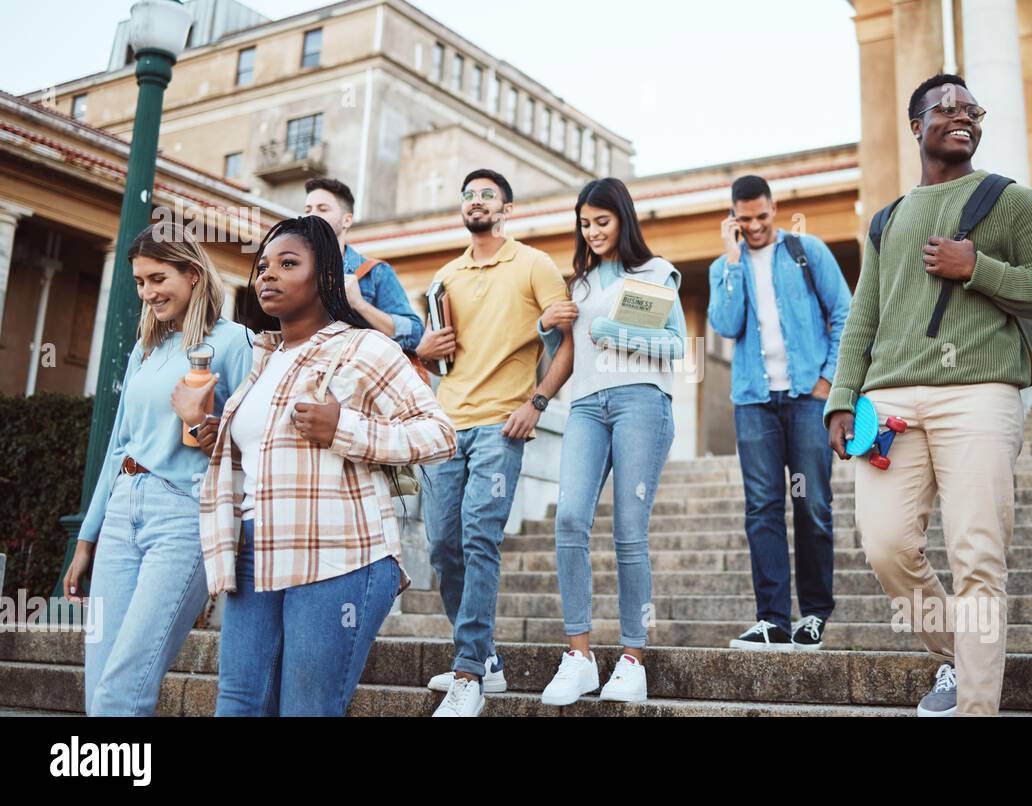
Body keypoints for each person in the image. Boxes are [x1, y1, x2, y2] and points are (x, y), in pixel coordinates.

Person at [825, 74, 1032, 716]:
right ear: (917, 125)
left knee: (977, 559)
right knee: (885, 547)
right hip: (888, 404)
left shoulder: (1014, 203)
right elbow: (864, 315)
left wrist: (978, 269)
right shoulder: (888, 220)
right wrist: (839, 399)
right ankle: (958, 654)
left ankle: (974, 706)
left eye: (972, 109)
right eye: (946, 107)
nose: (962, 115)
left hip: (980, 395)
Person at [200, 215, 456, 717]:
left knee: (307, 708)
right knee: (238, 704)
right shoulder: (262, 359)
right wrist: (211, 433)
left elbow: (439, 433)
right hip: (254, 551)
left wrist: (345, 428)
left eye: (288, 264)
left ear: (326, 279)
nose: (267, 275)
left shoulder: (365, 346)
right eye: (263, 266)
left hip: (339, 555)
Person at [62, 221, 251, 716]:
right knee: (99, 680)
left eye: (157, 278)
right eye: (140, 282)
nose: (147, 293)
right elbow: (117, 444)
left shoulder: (236, 343)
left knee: (125, 683)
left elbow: (254, 441)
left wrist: (205, 423)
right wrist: (87, 538)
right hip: (123, 510)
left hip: (183, 515)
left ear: (191, 274)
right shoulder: (146, 349)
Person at [416, 169, 575, 717]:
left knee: (479, 538)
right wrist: (426, 347)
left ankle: (468, 675)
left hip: (501, 426)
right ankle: (486, 658)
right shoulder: (445, 277)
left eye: (488, 195)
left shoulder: (533, 264)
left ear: (505, 209)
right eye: (469, 195)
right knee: (441, 544)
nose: (477, 201)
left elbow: (565, 343)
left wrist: (537, 402)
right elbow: (439, 358)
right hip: (446, 424)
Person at [534, 177, 685, 705]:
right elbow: (566, 352)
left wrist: (615, 333)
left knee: (628, 531)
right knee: (570, 518)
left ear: (623, 218)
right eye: (584, 224)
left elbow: (675, 345)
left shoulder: (654, 272)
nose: (593, 232)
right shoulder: (577, 284)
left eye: (602, 221)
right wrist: (547, 326)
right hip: (586, 406)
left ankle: (631, 659)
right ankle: (579, 656)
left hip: (641, 402)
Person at [706, 174, 851, 652]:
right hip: (755, 402)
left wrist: (827, 382)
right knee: (762, 508)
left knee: (812, 505)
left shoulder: (806, 251)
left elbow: (845, 314)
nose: (754, 227)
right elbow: (726, 324)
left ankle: (812, 615)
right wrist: (731, 260)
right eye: (744, 220)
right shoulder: (725, 267)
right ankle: (771, 619)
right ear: (733, 219)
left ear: (773, 209)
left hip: (809, 399)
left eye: (761, 217)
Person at [304, 177, 424, 352]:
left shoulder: (375, 272)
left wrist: (360, 304)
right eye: (308, 209)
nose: (312, 215)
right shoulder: (295, 269)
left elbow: (415, 334)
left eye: (322, 209)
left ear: (347, 220)